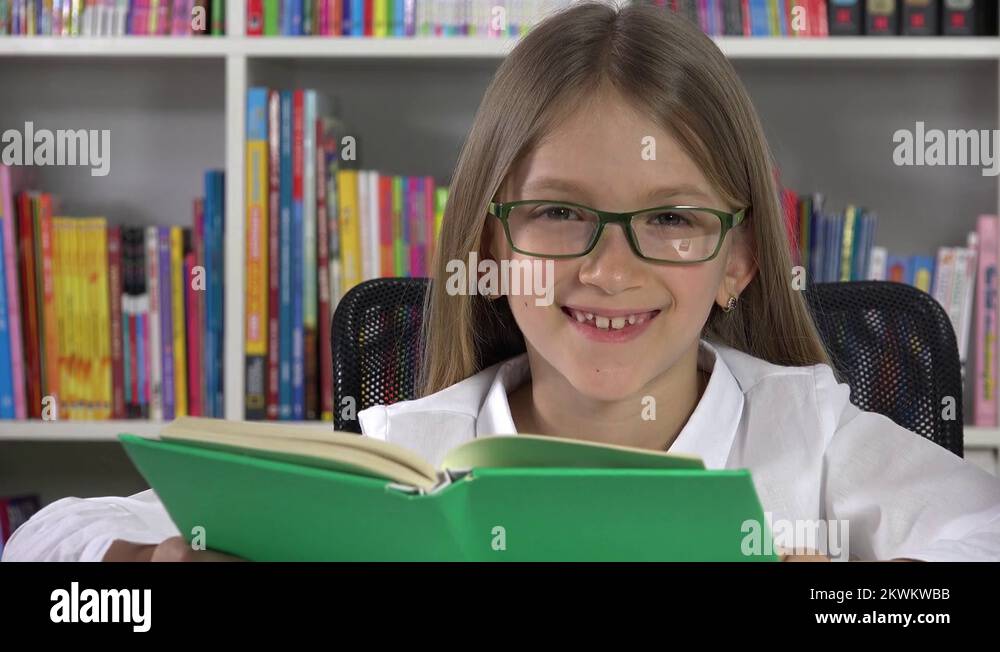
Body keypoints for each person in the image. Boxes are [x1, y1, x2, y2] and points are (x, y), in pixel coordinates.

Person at [5, 2, 999, 562]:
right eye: (560, 212)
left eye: (670, 218)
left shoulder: (814, 439)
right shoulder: (407, 451)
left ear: (738, 258)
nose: (611, 268)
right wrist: (130, 569)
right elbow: (44, 546)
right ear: (490, 239)